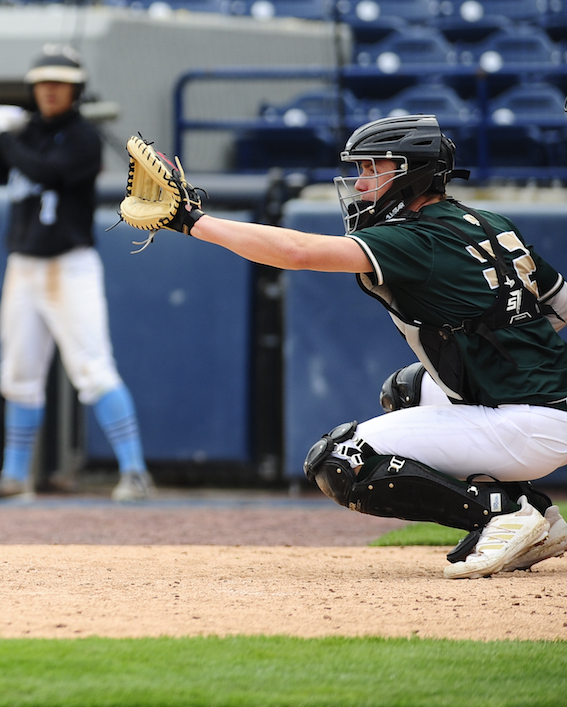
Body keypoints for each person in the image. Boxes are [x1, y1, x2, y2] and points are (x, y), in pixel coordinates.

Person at [120, 113, 567, 579]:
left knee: (340, 461)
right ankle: (541, 517)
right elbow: (559, 307)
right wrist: (507, 336)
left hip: (529, 423)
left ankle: (503, 514)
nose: (361, 183)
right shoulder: (489, 222)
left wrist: (192, 221)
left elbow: (296, 252)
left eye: (374, 169)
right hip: (546, 406)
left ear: (414, 173)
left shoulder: (415, 237)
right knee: (407, 390)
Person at [0, 44, 153, 504]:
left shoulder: (83, 136)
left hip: (70, 265)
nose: (50, 91)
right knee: (19, 373)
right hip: (23, 265)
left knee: (92, 369)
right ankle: (13, 477)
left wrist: (6, 137)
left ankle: (135, 472)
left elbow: (45, 172)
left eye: (60, 84)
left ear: (76, 90)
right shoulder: (28, 132)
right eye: (43, 83)